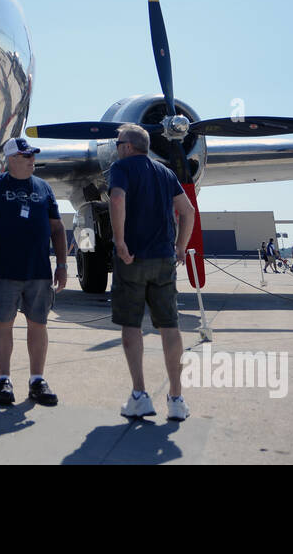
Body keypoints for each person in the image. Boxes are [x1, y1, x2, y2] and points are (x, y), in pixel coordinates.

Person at [108, 123, 196, 422]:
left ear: (128, 146)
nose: (116, 146)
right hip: (163, 260)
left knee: (131, 326)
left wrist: (120, 242)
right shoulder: (166, 172)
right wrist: (181, 247)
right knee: (170, 328)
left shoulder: (121, 169)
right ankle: (176, 399)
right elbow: (188, 211)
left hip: (131, 259)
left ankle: (140, 396)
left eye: (119, 142)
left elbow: (117, 199)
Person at [0, 136, 68, 407]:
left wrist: (61, 266)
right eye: (27, 156)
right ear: (11, 159)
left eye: (33, 156)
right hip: (3, 271)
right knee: (4, 322)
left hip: (39, 271)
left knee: (38, 323)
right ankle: (3, 380)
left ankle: (37, 380)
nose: (32, 160)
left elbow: (58, 229)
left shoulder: (44, 188)